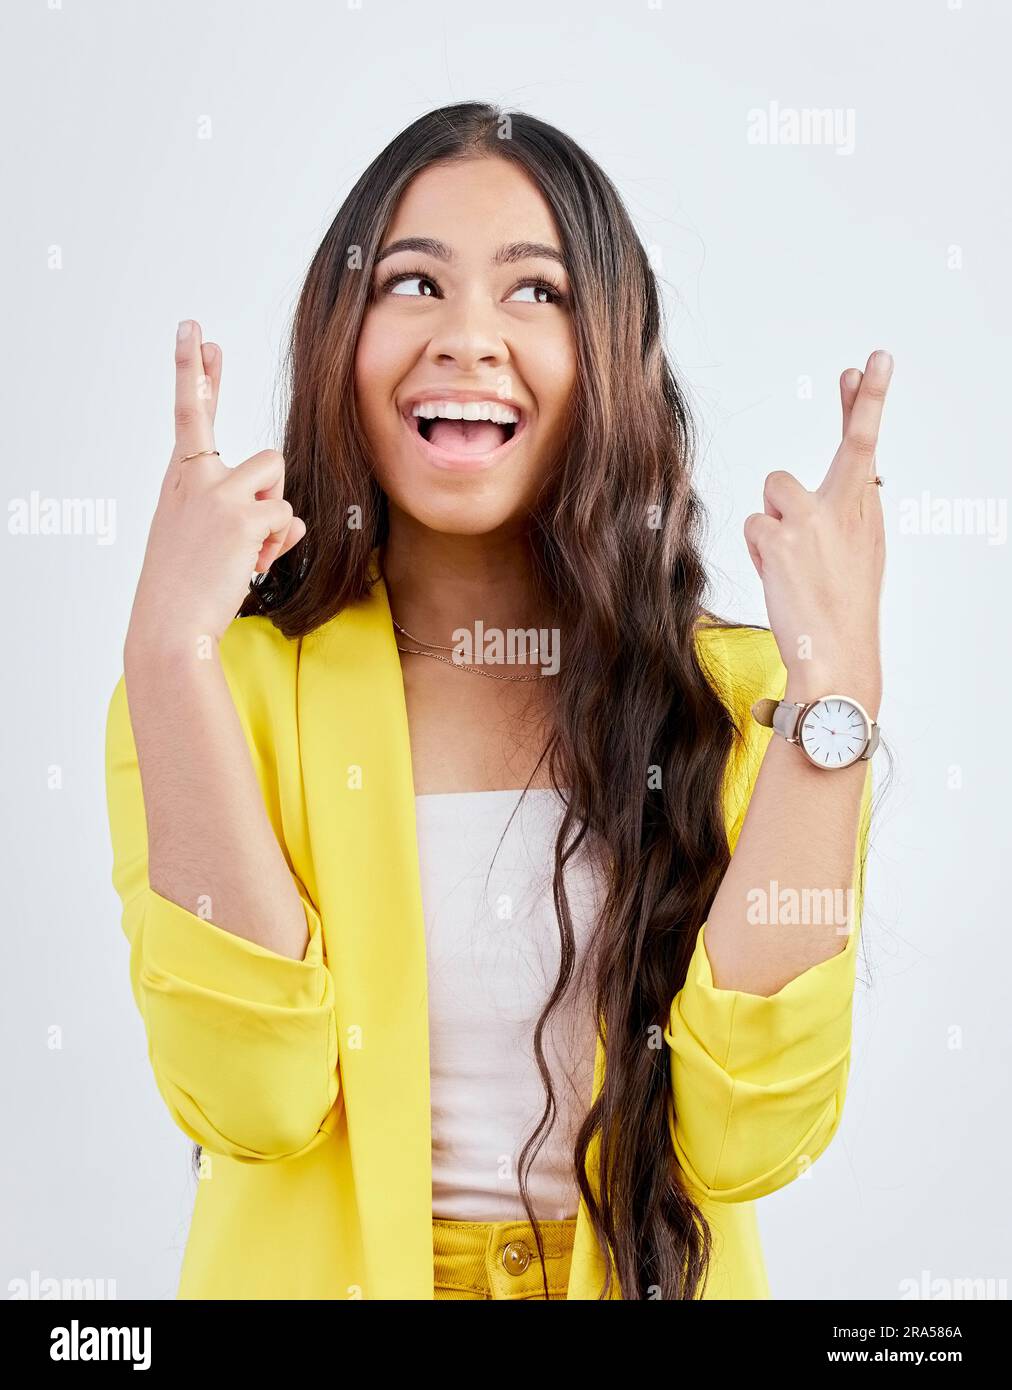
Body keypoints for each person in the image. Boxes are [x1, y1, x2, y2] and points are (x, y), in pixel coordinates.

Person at [104, 101, 889, 1301]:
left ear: (610, 359)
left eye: (537, 293)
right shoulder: (218, 686)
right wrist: (166, 649)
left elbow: (746, 1142)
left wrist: (837, 687)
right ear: (339, 338)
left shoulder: (747, 700)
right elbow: (250, 1101)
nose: (469, 337)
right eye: (413, 283)